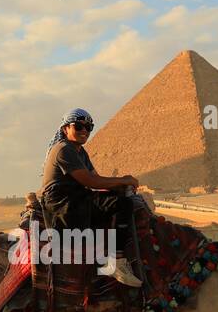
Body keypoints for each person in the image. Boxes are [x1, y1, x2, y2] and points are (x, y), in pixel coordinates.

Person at [39, 109, 143, 287]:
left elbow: (97, 179)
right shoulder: (64, 150)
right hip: (64, 204)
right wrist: (123, 180)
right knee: (123, 204)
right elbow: (91, 181)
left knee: (117, 196)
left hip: (77, 196)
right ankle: (116, 261)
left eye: (89, 127)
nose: (84, 131)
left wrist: (120, 185)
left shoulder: (79, 151)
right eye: (78, 126)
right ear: (65, 129)